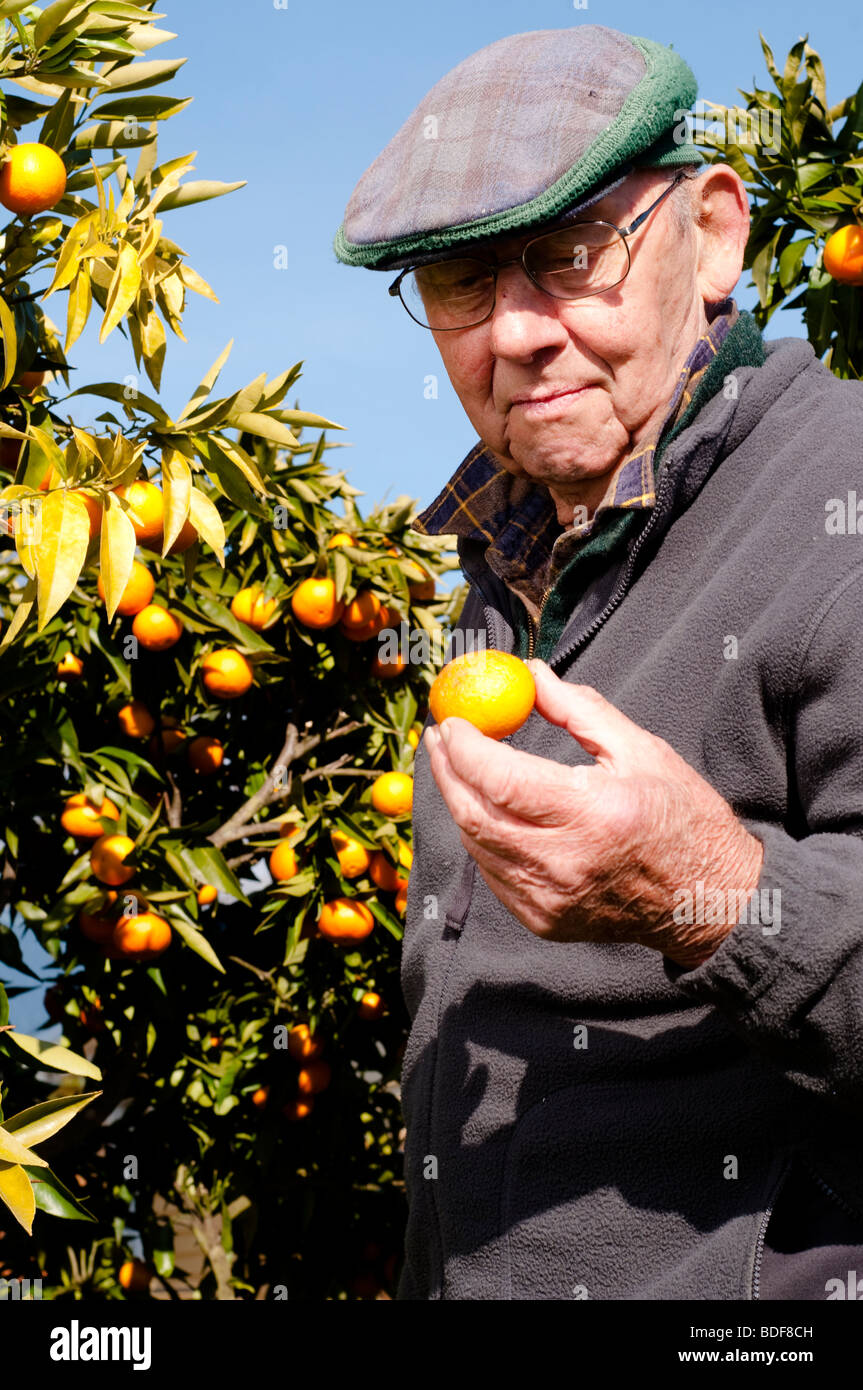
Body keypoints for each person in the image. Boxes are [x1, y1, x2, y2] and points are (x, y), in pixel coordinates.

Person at [334, 25, 863, 1300]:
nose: (513, 333)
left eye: (568, 257)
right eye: (459, 282)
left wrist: (708, 889)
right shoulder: (492, 574)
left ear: (718, 232)